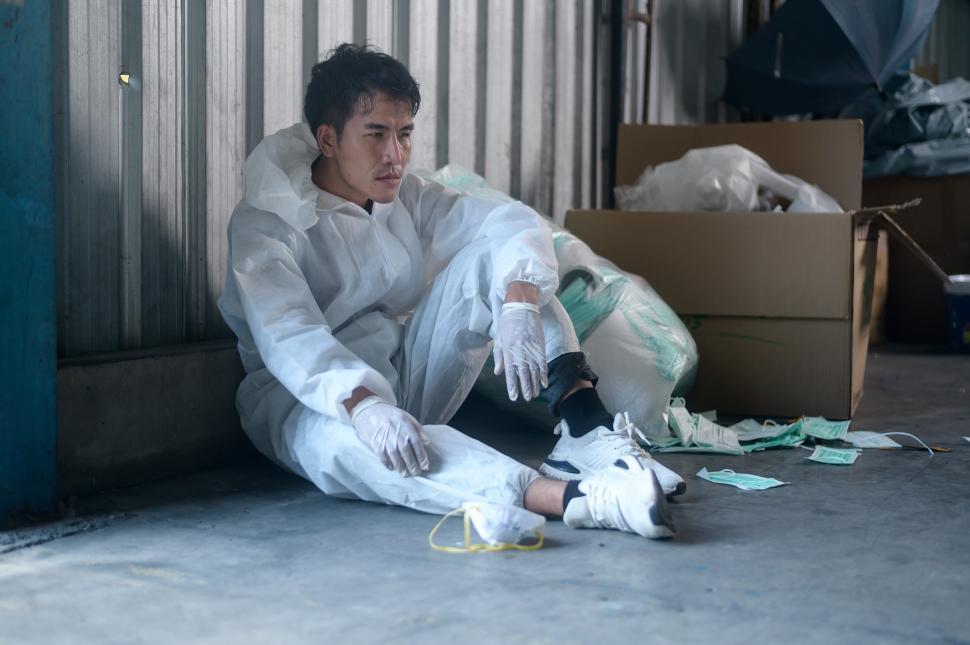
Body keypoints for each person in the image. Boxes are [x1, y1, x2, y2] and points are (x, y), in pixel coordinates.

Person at [219, 44, 683, 540]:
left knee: (503, 262)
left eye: (404, 135)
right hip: (306, 401)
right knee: (344, 449)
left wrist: (519, 302)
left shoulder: (405, 197)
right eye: (375, 134)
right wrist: (362, 406)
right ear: (328, 139)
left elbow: (508, 221)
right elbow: (288, 333)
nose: (394, 155)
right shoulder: (268, 223)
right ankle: (585, 500)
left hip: (402, 376)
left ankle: (585, 433)